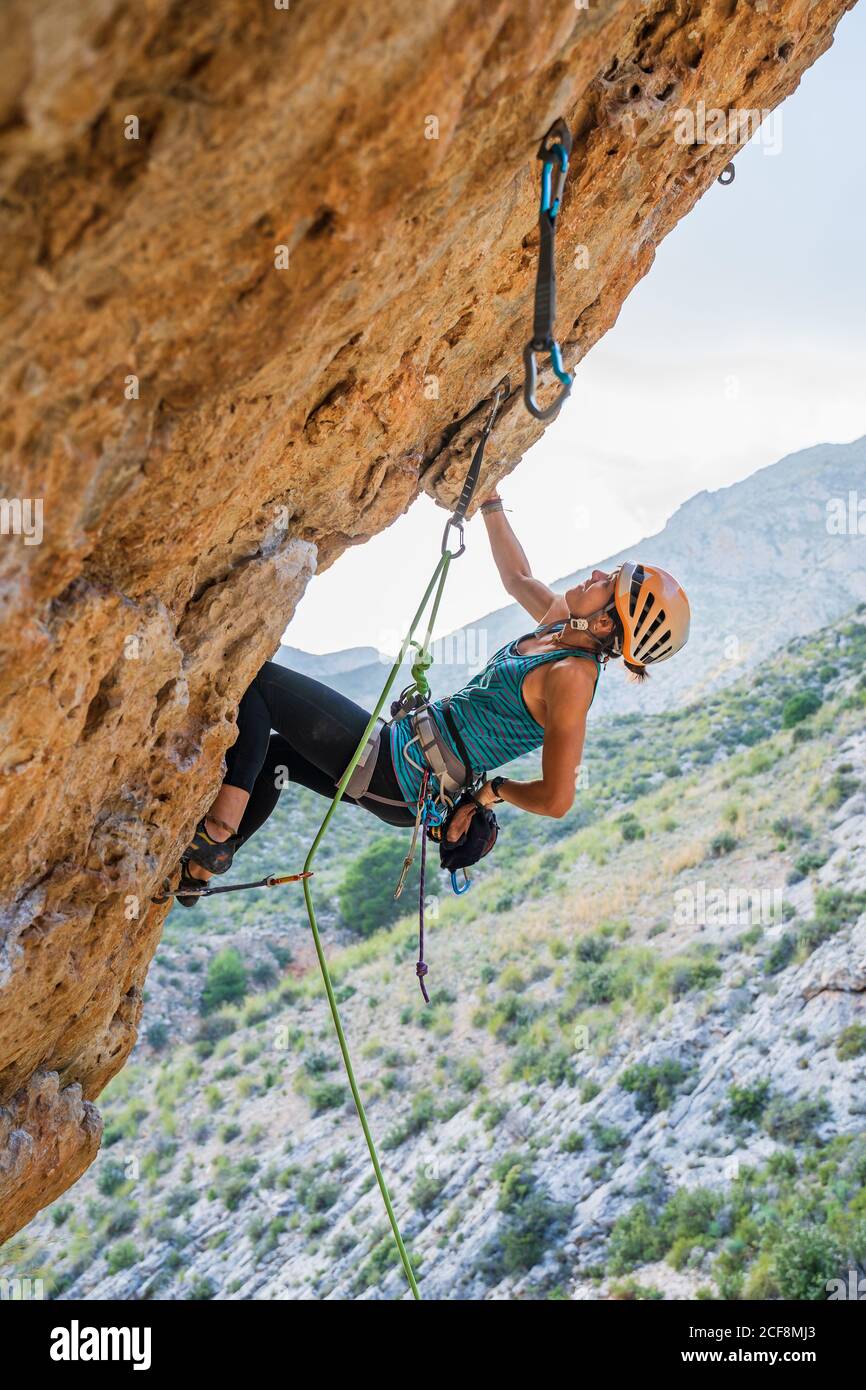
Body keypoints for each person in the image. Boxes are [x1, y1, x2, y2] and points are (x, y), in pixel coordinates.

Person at [176, 493, 690, 903]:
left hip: (399, 774)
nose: (598, 575)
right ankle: (199, 873)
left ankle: (218, 835)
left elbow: (558, 800)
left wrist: (495, 792)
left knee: (259, 683)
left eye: (609, 584)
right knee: (277, 757)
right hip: (398, 761)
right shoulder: (559, 629)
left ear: (604, 623)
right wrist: (489, 501)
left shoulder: (571, 678)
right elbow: (518, 578)